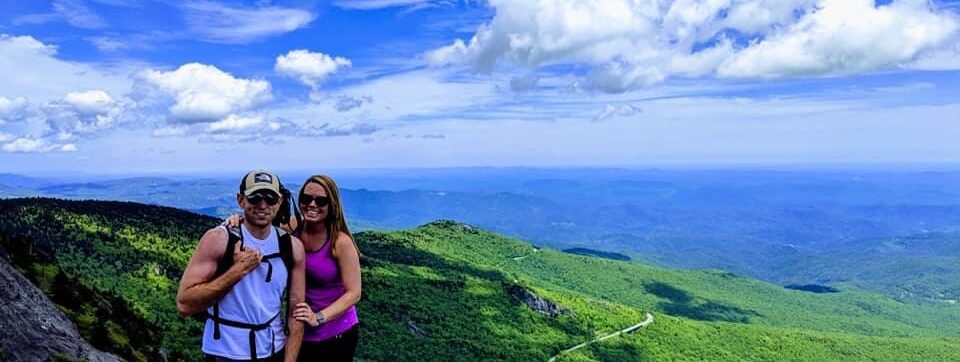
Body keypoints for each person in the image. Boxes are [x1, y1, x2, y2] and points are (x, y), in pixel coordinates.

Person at [226, 174, 361, 362]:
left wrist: (318, 317)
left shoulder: (340, 242)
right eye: (306, 198)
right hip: (300, 329)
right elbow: (261, 223)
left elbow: (354, 293)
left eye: (321, 201)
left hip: (336, 333)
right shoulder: (292, 226)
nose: (312, 204)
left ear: (332, 205)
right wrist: (237, 220)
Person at [177, 170, 306, 362]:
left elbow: (297, 312)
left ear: (279, 202)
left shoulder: (291, 246)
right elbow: (184, 305)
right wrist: (238, 270)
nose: (263, 204)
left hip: (274, 348)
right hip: (226, 353)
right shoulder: (219, 240)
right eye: (255, 197)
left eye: (270, 198)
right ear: (241, 200)